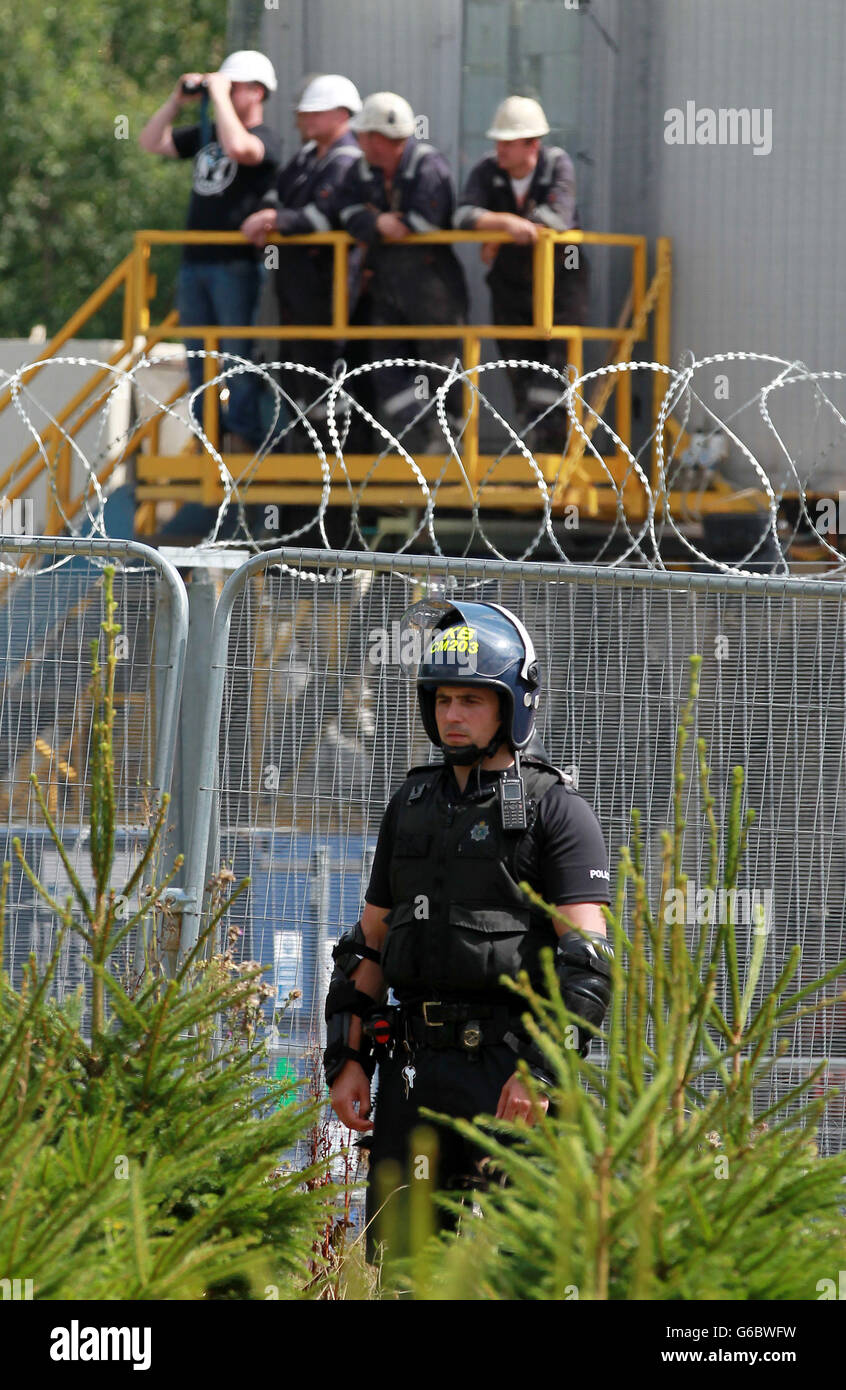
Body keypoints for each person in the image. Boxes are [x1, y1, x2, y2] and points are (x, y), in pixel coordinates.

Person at [324, 600, 614, 1261]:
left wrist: (541, 1073)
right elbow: (369, 942)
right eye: (444, 699)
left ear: (513, 702)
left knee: (524, 1271)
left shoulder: (556, 809)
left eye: (473, 700)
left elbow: (589, 961)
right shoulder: (410, 804)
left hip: (510, 1077)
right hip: (412, 1077)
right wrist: (346, 1059)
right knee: (404, 1272)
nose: (453, 715)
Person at [139, 52, 281, 452]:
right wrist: (175, 101)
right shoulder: (208, 133)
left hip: (235, 265)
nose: (225, 92)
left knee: (237, 357)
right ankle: (208, 432)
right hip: (195, 264)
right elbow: (151, 141)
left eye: (235, 86)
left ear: (256, 92)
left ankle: (243, 434)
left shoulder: (266, 138)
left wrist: (218, 95)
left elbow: (241, 148)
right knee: (198, 357)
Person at [332, 92, 469, 451]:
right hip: (385, 287)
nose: (359, 143)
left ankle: (447, 438)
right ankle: (421, 432)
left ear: (378, 139)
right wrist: (379, 221)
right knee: (386, 366)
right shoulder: (362, 169)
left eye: (363, 136)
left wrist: (381, 221)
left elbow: (427, 220)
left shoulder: (428, 166)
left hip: (432, 288)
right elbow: (345, 212)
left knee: (441, 363)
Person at [454, 96, 589, 451]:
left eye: (508, 142)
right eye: (498, 141)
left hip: (561, 283)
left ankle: (554, 452)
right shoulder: (487, 171)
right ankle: (535, 449)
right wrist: (505, 224)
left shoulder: (556, 164)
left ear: (533, 144)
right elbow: (462, 215)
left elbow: (556, 217)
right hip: (510, 287)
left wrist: (499, 237)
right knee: (520, 368)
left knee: (554, 368)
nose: (500, 149)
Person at [240, 74, 363, 439]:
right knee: (298, 367)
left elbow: (327, 215)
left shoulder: (349, 162)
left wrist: (276, 221)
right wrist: (271, 215)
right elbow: (276, 194)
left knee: (329, 367)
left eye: (315, 113)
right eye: (303, 114)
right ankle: (307, 453)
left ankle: (338, 452)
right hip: (297, 286)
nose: (304, 121)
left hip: (330, 285)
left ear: (342, 114)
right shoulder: (307, 158)